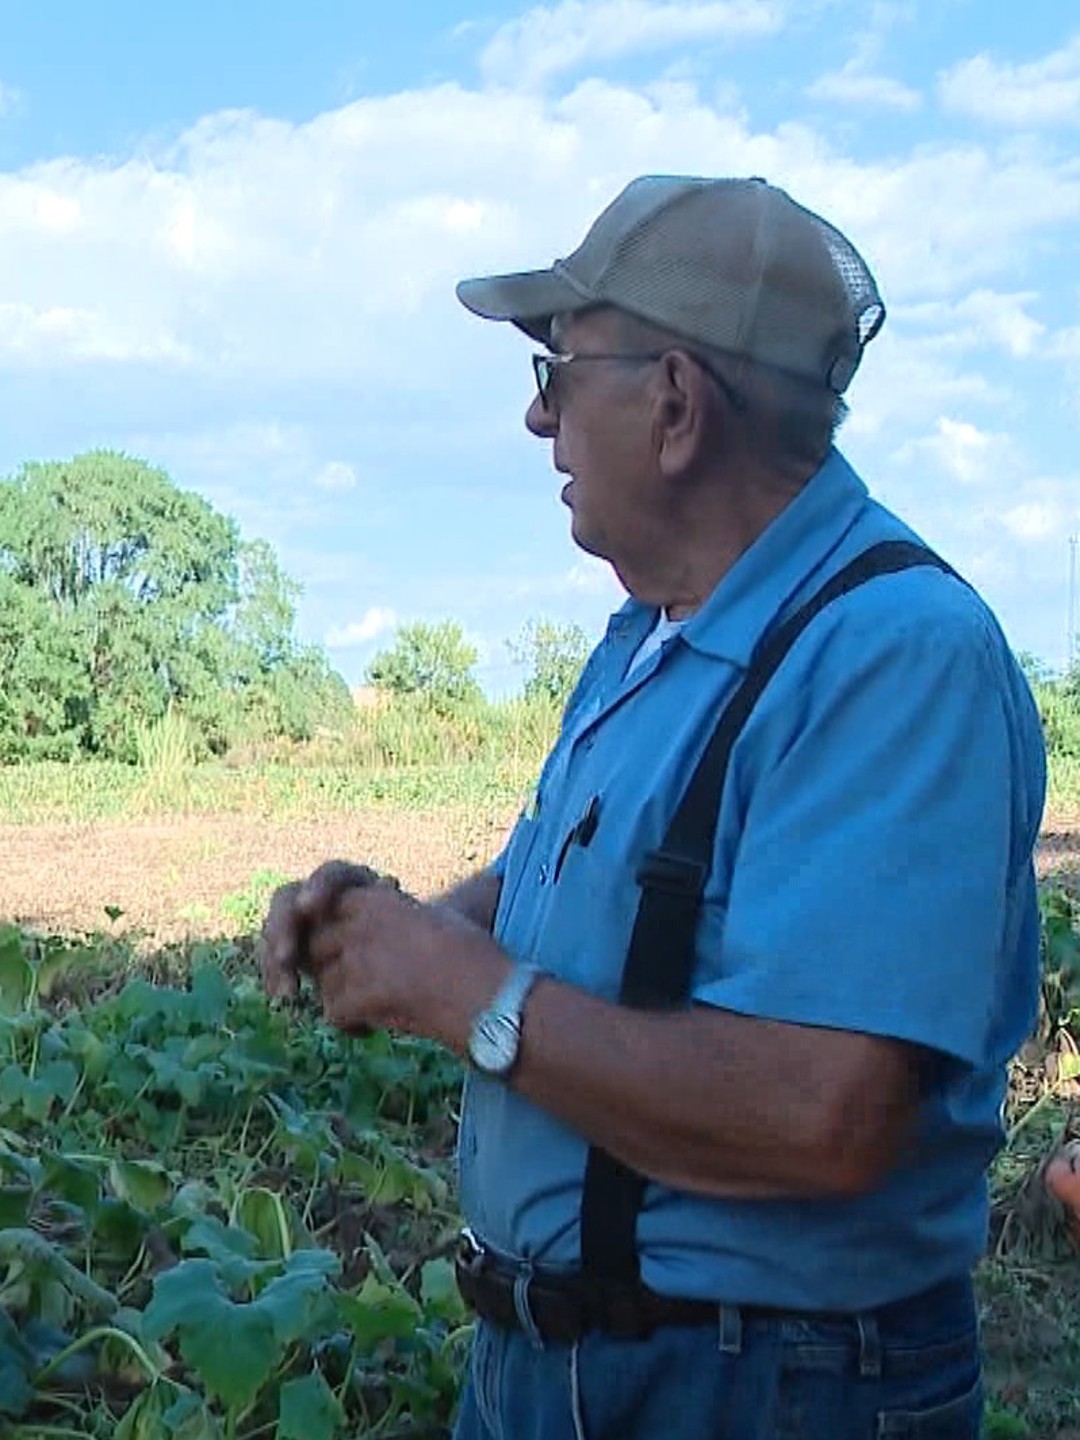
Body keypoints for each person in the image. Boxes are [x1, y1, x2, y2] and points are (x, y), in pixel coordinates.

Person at [261, 175, 1047, 1440]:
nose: (536, 415)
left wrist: (466, 991)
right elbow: (561, 896)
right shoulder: (651, 633)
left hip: (765, 1388)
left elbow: (823, 1116)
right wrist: (392, 929)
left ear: (675, 405)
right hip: (561, 1366)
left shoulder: (895, 656)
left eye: (559, 369)